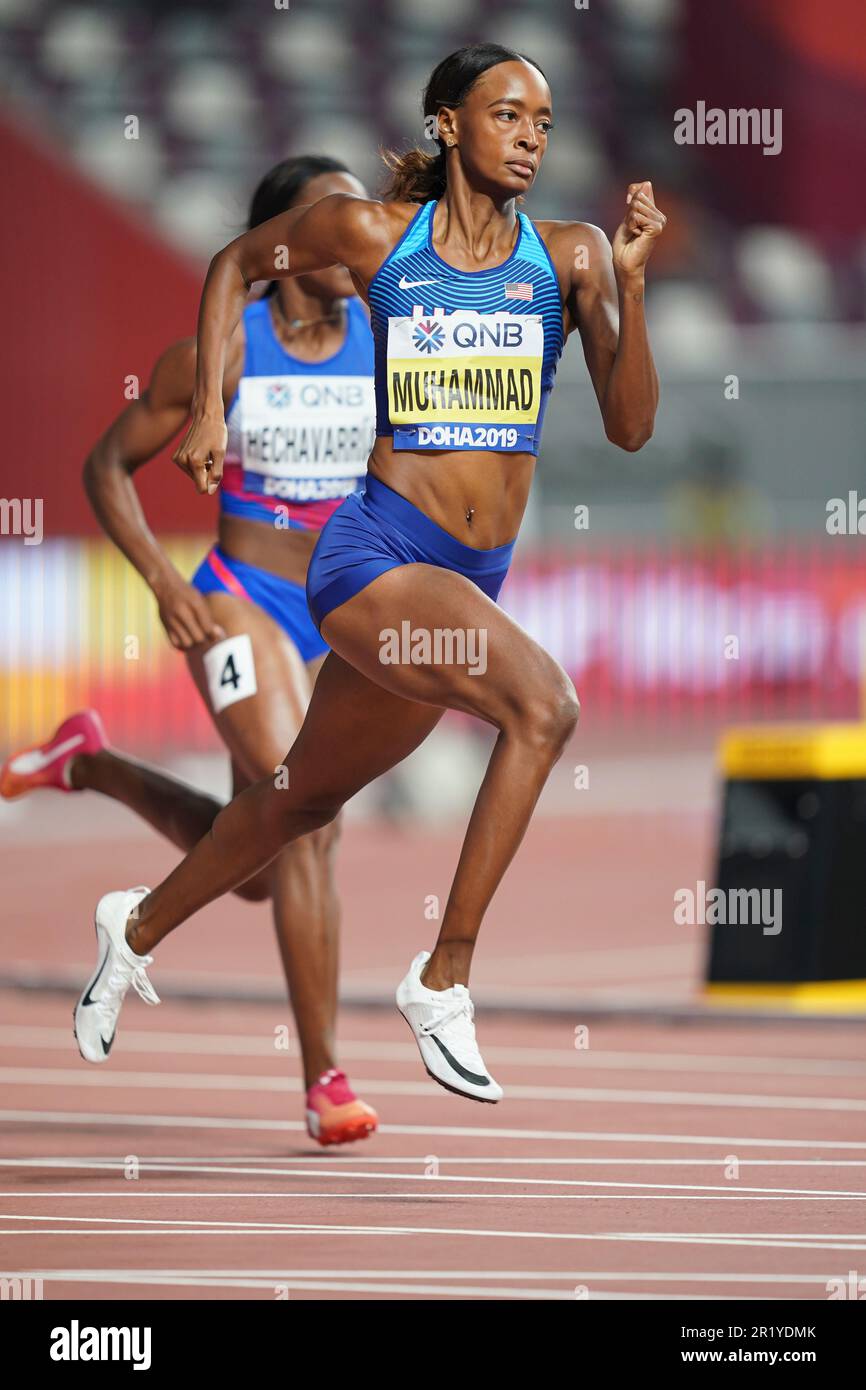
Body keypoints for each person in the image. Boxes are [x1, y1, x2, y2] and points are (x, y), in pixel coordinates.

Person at [72, 42, 664, 1105]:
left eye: (543, 121)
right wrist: (209, 401)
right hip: (371, 560)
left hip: (462, 581)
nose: (530, 136)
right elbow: (232, 265)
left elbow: (629, 429)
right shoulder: (371, 236)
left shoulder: (567, 256)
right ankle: (443, 975)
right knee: (544, 708)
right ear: (446, 125)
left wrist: (626, 288)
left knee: (296, 801)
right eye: (505, 115)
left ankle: (136, 926)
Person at [2, 156, 380, 1146]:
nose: (359, 232)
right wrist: (169, 588)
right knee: (306, 815)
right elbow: (104, 468)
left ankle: (93, 762)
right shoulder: (226, 354)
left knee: (252, 861)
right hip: (238, 601)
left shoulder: (383, 345)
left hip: (335, 614)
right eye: (336, 217)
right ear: (286, 244)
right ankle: (323, 1078)